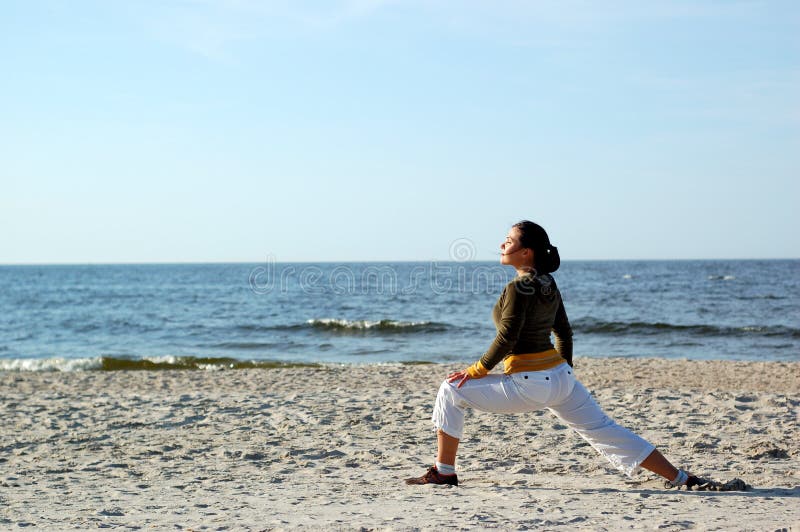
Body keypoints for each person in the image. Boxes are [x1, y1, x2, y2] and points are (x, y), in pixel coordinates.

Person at [404, 220, 716, 490]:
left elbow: (507, 336)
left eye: (509, 241)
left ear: (526, 252)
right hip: (561, 379)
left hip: (531, 383)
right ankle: (681, 478)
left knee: (450, 389)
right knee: (606, 431)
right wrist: (563, 372)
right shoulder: (548, 282)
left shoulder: (518, 288)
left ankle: (444, 473)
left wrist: (476, 370)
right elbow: (564, 333)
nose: (502, 244)